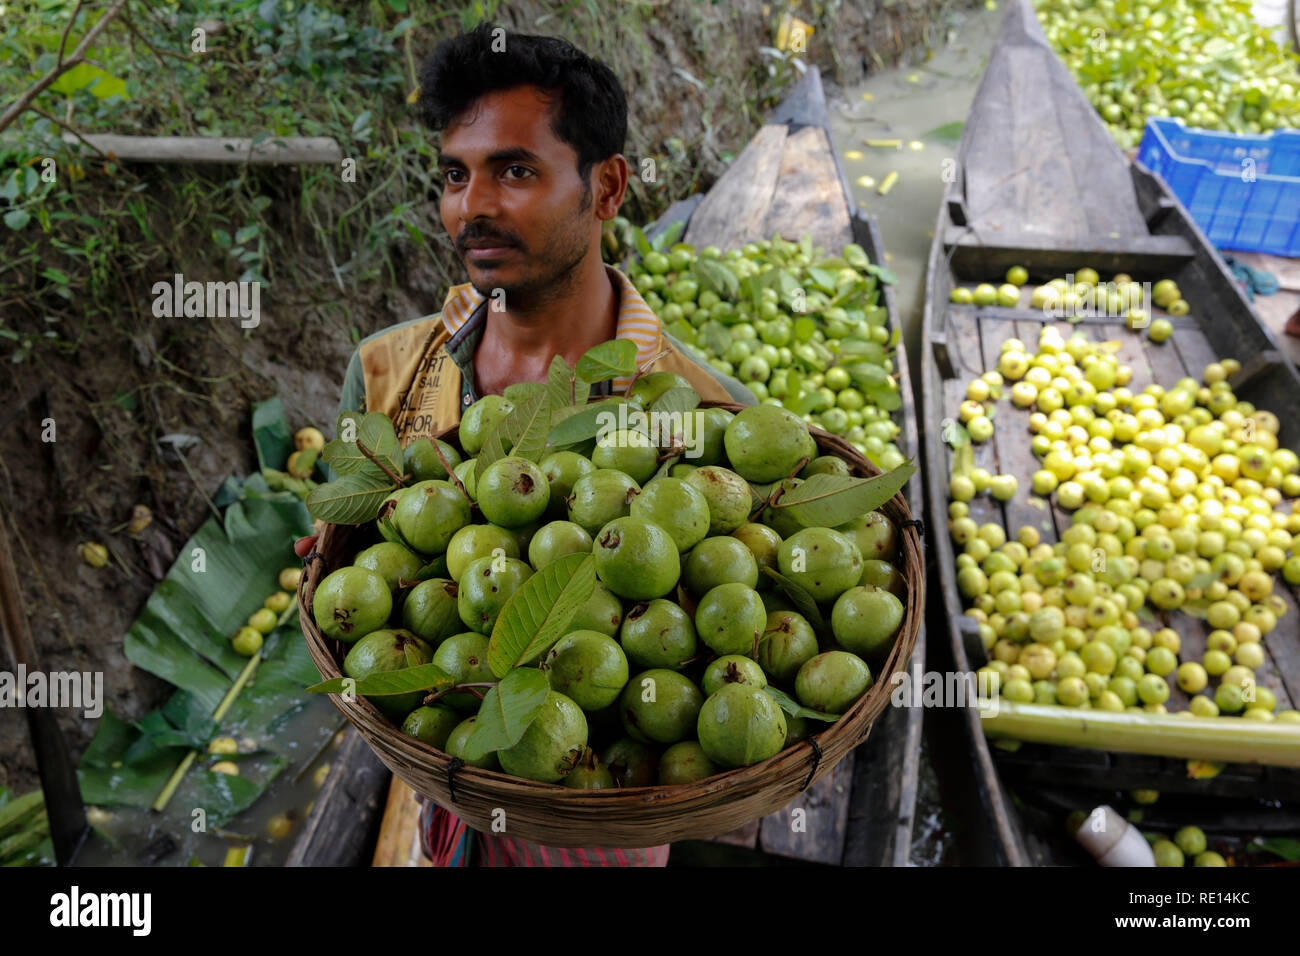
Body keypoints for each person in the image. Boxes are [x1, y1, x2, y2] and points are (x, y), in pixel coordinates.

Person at [296, 22, 754, 866]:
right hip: (448, 781)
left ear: (608, 188)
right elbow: (346, 554)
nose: (473, 205)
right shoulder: (384, 375)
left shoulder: (706, 414)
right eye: (454, 175)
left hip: (602, 828)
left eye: (514, 170)